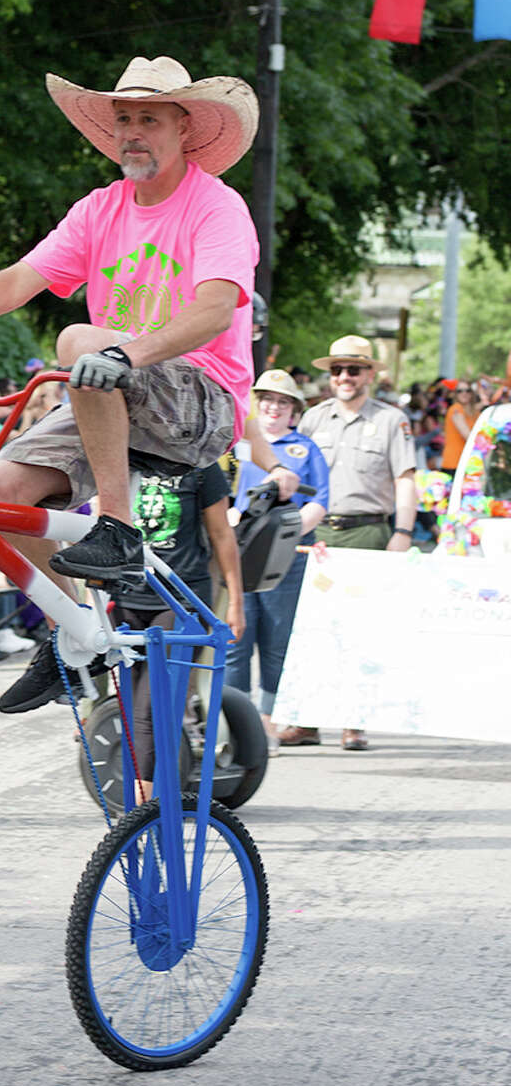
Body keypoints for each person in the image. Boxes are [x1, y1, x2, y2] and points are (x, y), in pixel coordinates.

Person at [0, 53, 261, 715]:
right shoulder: (100, 208)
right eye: (123, 117)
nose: (133, 130)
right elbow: (21, 279)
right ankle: (75, 634)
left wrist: (125, 352)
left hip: (202, 399)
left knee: (79, 340)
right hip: (115, 391)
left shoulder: (217, 207)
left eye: (150, 118)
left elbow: (215, 307)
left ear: (184, 127)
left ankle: (118, 530)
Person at [288, 335, 416, 752]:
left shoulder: (391, 420)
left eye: (354, 369)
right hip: (318, 533)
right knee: (310, 629)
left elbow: (405, 479)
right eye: (337, 370)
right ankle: (306, 721)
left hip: (368, 532)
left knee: (361, 630)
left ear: (369, 375)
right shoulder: (312, 419)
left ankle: (353, 721)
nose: (344, 377)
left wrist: (403, 532)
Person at [111, 460, 246, 794]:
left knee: (150, 709)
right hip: (125, 598)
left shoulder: (200, 466)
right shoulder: (119, 457)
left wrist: (236, 603)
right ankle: (149, 799)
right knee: (132, 709)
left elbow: (221, 534)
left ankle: (143, 809)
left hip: (180, 601)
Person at [223, 369, 329, 752]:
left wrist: (282, 536)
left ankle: (269, 719)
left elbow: (320, 501)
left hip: (286, 556)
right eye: (266, 399)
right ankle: (236, 721)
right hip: (236, 550)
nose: (273, 407)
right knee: (235, 636)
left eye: (282, 401)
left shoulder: (305, 449)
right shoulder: (236, 445)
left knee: (278, 637)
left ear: (294, 411)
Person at [442, 383, 479, 475]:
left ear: (472, 393)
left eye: (467, 390)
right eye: (460, 391)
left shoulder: (475, 412)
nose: (464, 393)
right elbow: (468, 436)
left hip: (468, 462)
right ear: (455, 394)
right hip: (454, 463)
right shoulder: (455, 409)